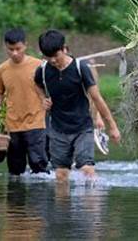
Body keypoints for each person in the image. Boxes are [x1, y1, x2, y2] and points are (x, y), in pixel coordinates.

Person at [34, 29, 120, 183]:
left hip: (82, 128)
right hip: (57, 129)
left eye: (56, 55)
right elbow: (36, 84)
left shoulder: (81, 68)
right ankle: (63, 207)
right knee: (61, 175)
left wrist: (112, 126)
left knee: (86, 169)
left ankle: (94, 204)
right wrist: (43, 98)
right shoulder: (43, 70)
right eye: (48, 56)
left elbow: (97, 98)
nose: (52, 60)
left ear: (64, 48)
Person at [0, 28, 48, 175]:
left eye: (18, 49)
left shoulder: (39, 65)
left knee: (38, 166)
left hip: (36, 122)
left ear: (25, 45)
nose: (14, 53)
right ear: (6, 47)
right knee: (15, 169)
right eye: (10, 49)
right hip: (12, 125)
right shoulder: (3, 69)